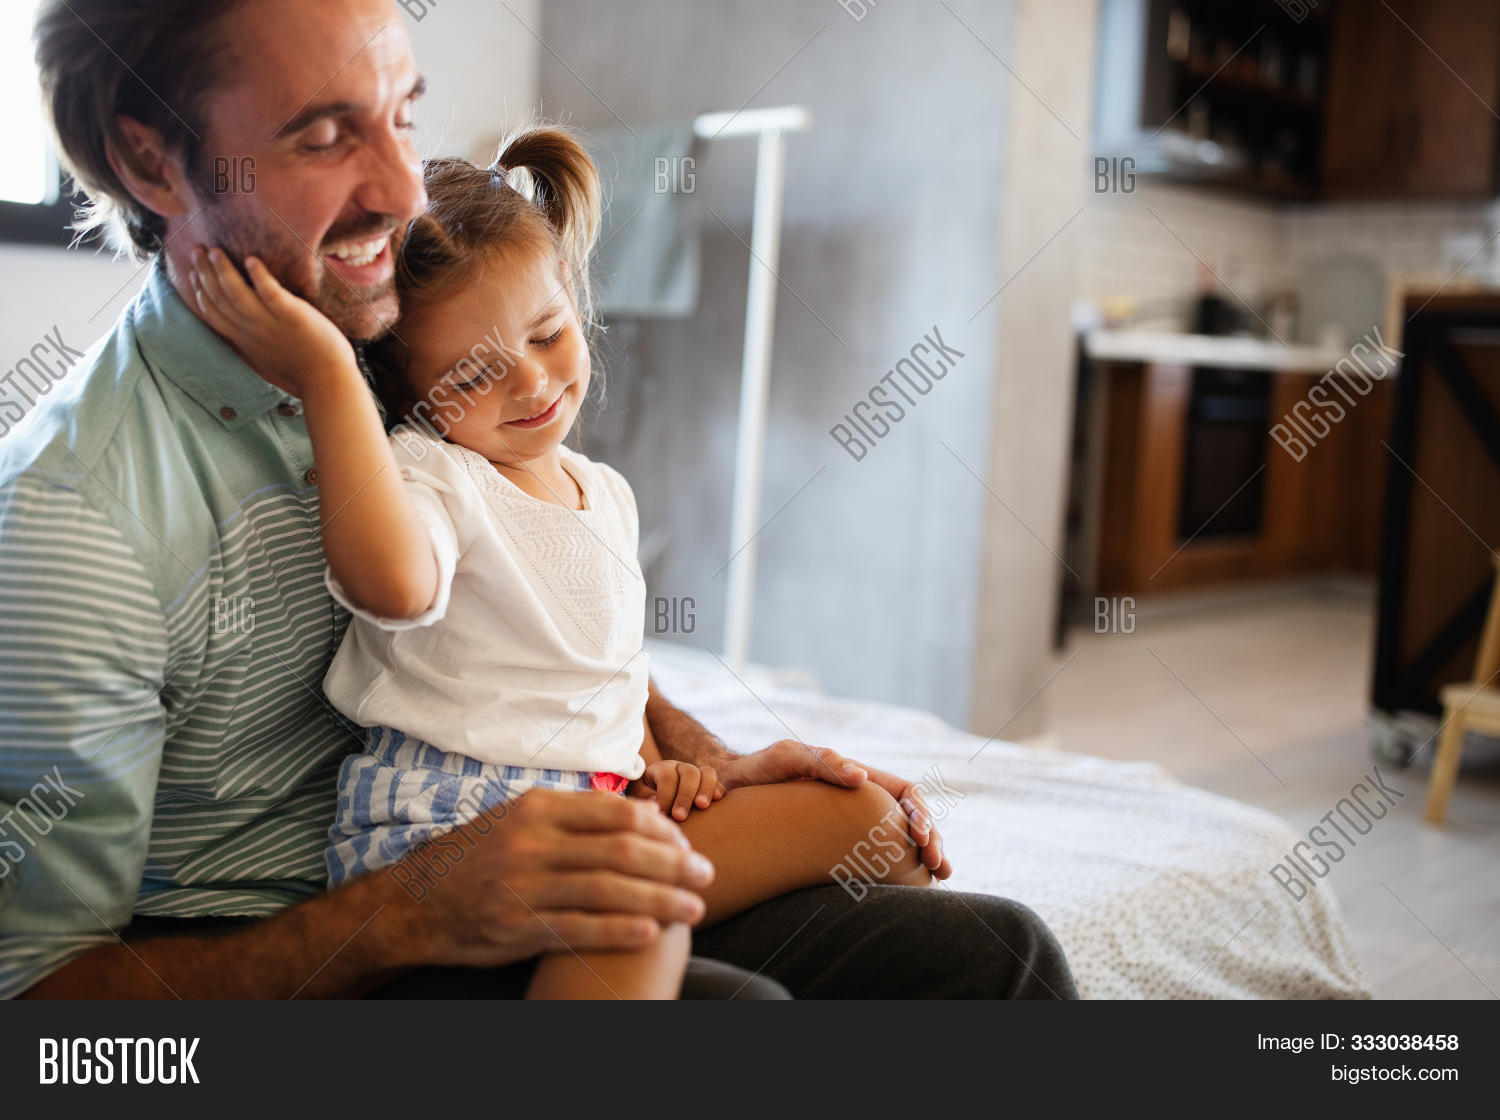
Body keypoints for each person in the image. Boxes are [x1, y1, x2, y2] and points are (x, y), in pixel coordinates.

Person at [0, 0, 1078, 1000]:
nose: (404, 191)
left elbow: (524, 610)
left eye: (404, 116)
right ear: (149, 158)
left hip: (538, 853)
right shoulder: (73, 523)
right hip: (333, 955)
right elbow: (35, 1016)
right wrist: (404, 912)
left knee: (999, 960)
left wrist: (692, 750)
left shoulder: (392, 332)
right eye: (324, 137)